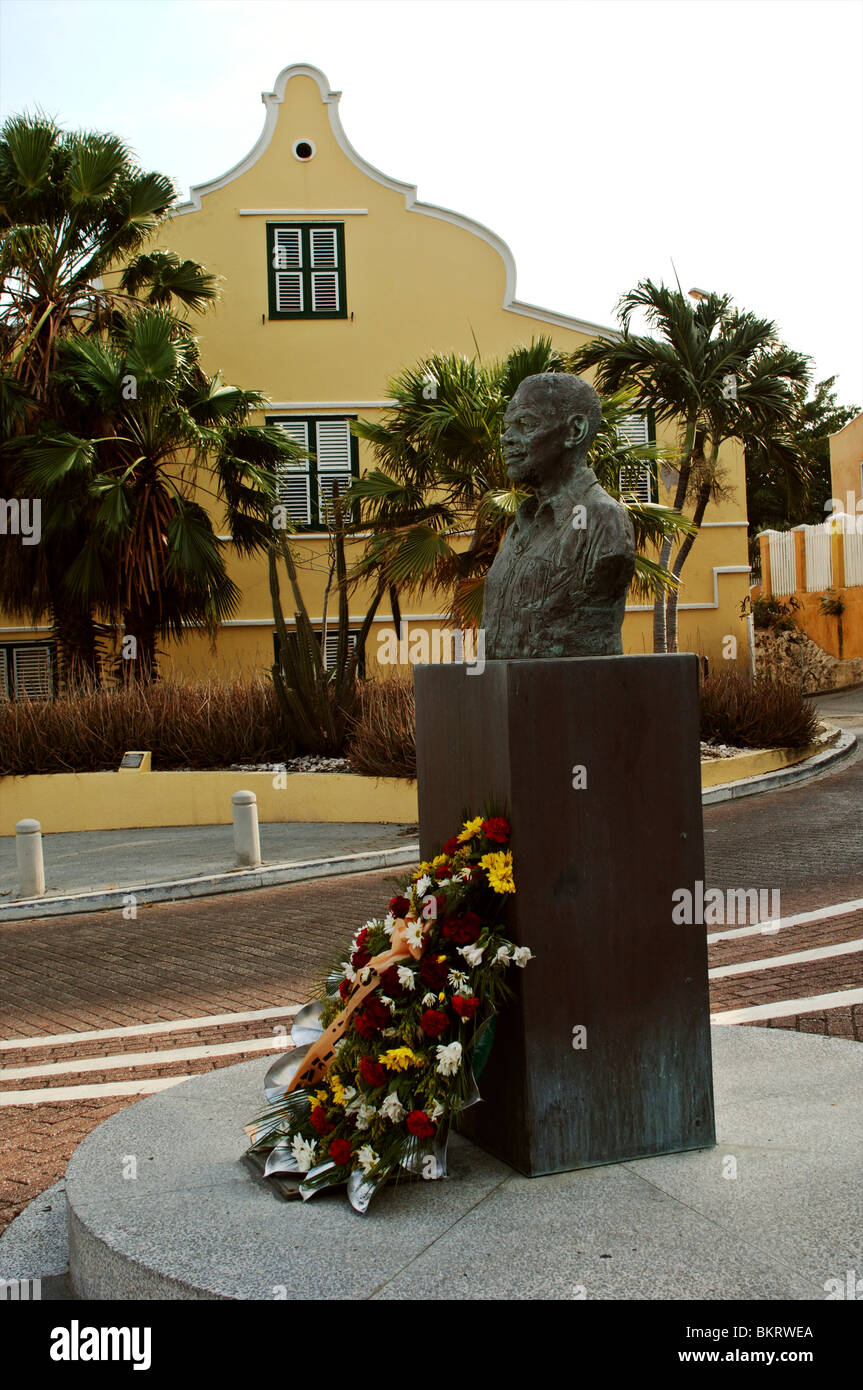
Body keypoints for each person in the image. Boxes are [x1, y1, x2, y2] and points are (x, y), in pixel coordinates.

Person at [482, 373, 635, 658]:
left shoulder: (603, 520)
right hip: (505, 695)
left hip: (569, 695)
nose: (506, 438)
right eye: (507, 427)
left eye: (525, 424)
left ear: (574, 431)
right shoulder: (522, 524)